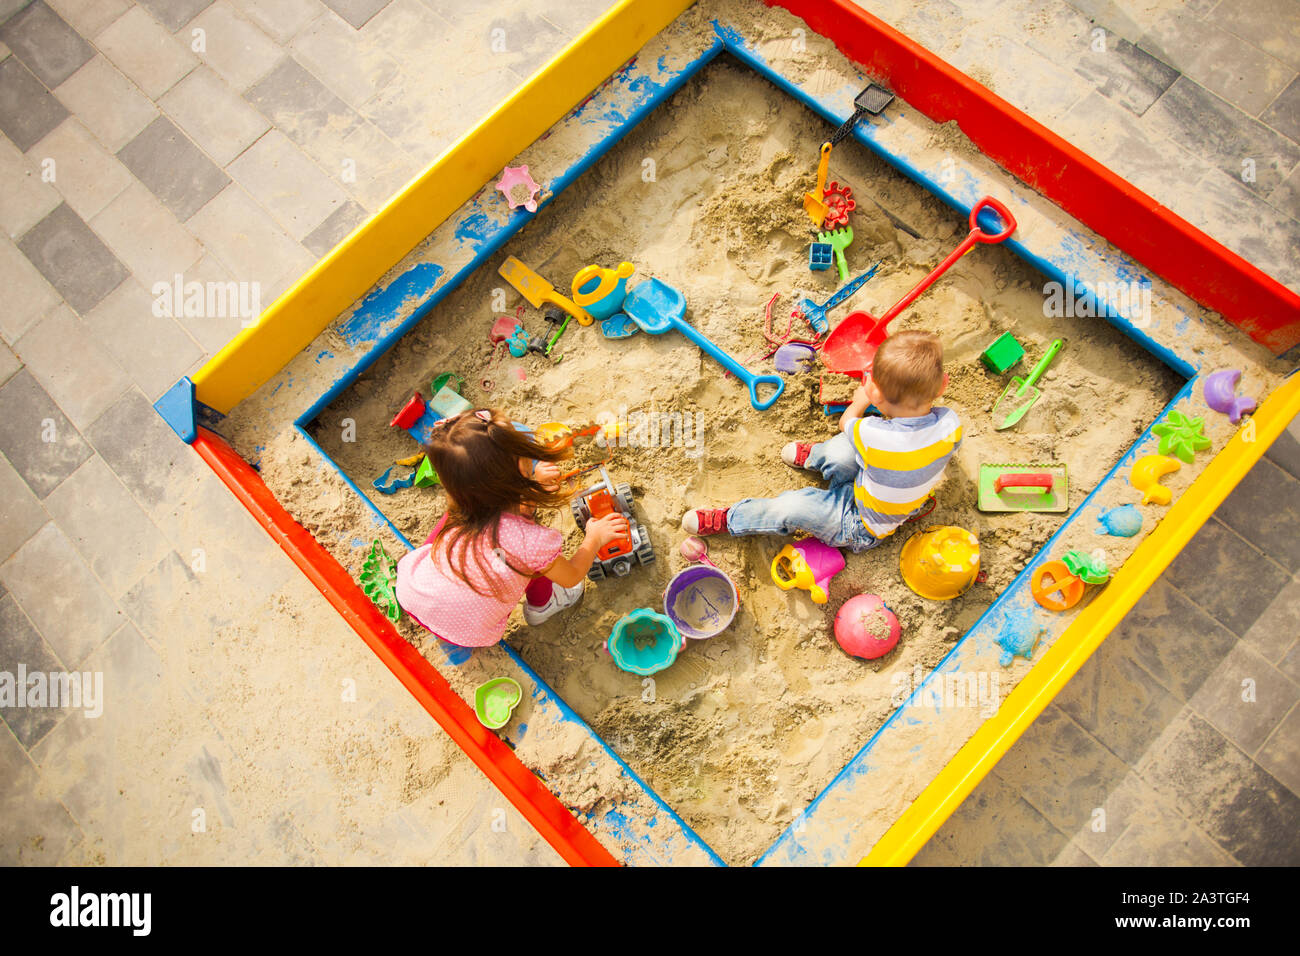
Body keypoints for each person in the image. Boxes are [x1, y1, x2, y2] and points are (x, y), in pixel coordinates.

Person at [681, 330, 961, 552]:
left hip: (860, 525)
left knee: (794, 506)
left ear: (876, 393)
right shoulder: (951, 426)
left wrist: (861, 400)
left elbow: (847, 421)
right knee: (843, 451)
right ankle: (815, 458)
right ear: (943, 385)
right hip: (874, 485)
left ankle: (730, 519)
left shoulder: (874, 435)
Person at [396, 409, 628, 647]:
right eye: (527, 459)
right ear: (518, 472)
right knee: (532, 563)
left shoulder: (463, 499)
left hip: (412, 593)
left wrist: (531, 481)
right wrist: (594, 538)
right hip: (466, 632)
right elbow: (571, 576)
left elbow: (502, 507)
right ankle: (543, 606)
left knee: (452, 530)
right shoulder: (529, 543)